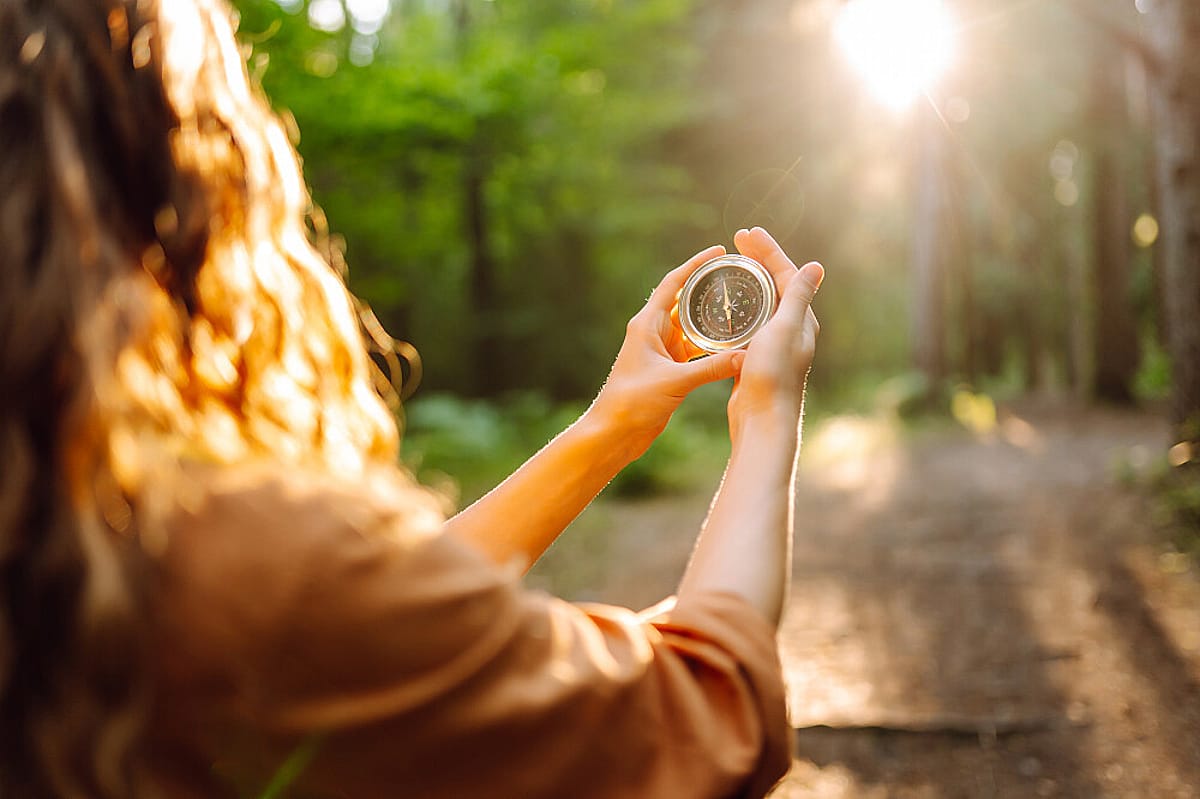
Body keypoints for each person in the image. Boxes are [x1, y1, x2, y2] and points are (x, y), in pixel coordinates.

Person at [0, 0, 823, 795]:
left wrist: (611, 426)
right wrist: (766, 415)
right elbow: (711, 714)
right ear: (166, 170)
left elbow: (368, 627)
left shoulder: (72, 523)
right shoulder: (223, 552)